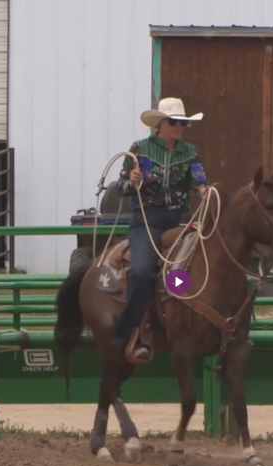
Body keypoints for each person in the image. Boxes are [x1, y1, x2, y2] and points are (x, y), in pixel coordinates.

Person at [112, 97, 210, 360]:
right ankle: (131, 331)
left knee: (199, 267)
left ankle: (198, 325)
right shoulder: (139, 150)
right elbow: (120, 187)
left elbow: (199, 181)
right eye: (174, 122)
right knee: (142, 271)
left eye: (183, 122)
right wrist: (131, 182)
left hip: (180, 221)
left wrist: (205, 191)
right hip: (147, 220)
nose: (179, 126)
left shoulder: (190, 152)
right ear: (160, 124)